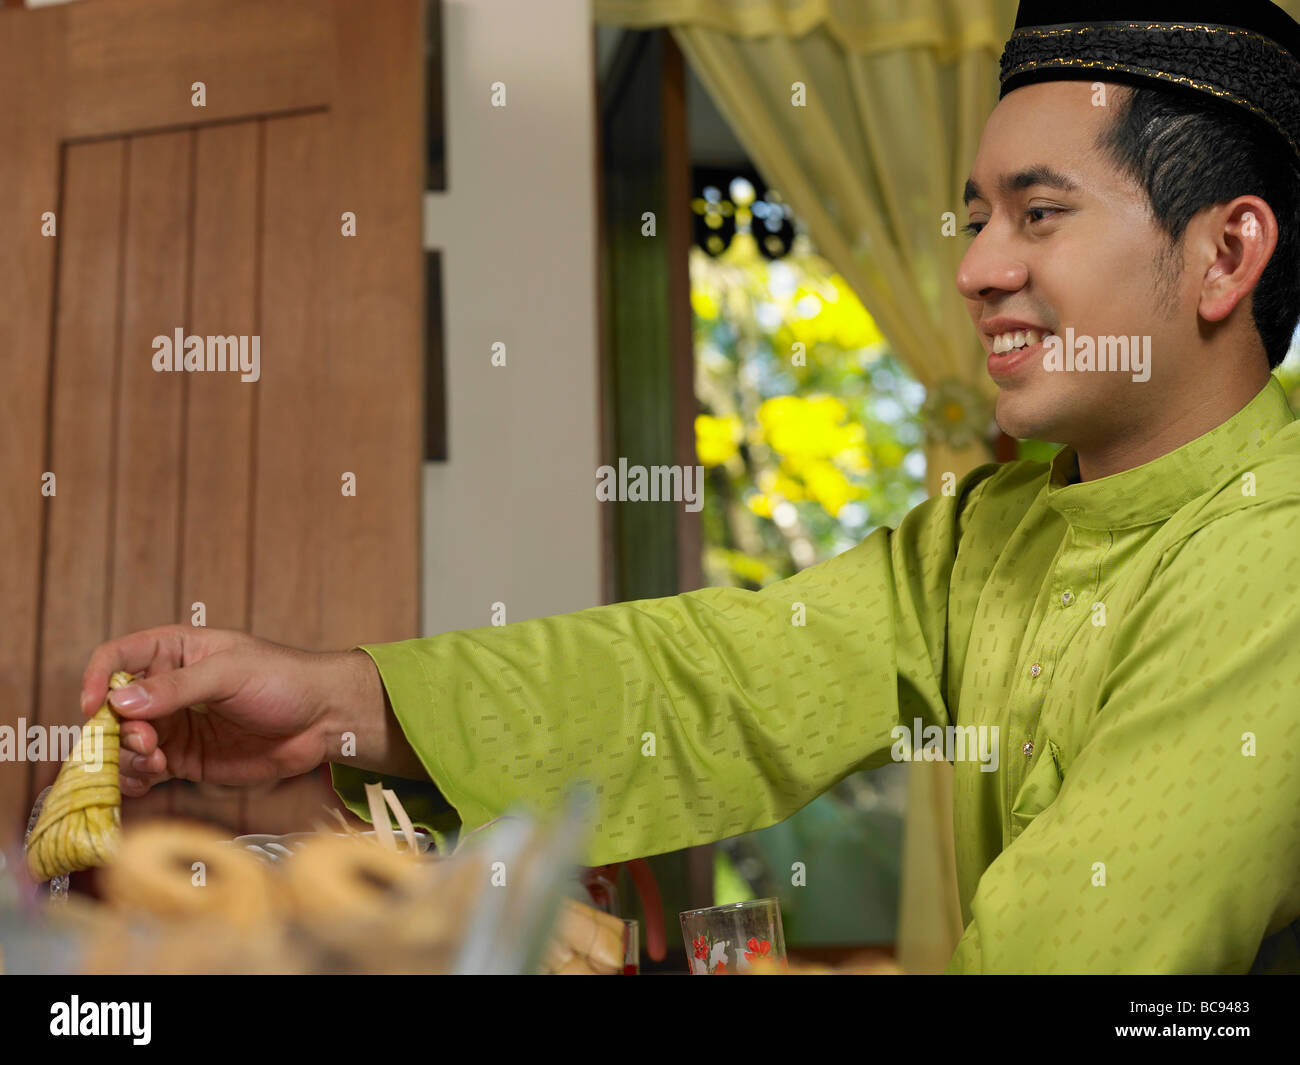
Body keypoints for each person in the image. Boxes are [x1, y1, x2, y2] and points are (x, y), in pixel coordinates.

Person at [80, 0, 1300, 973]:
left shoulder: (1274, 561)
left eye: (1039, 214)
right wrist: (336, 702)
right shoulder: (1002, 532)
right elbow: (718, 680)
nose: (978, 267)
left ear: (1225, 253)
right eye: (978, 217)